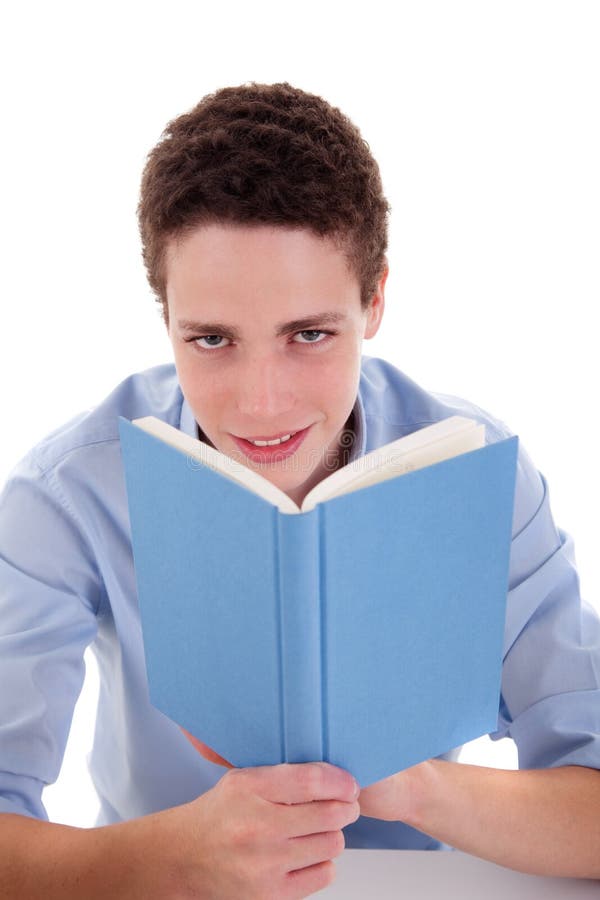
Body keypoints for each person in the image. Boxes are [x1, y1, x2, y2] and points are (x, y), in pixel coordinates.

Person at [1, 82, 599, 898]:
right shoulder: (67, 492)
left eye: (309, 335)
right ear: (164, 317)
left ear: (375, 300)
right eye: (210, 339)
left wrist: (406, 784)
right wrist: (171, 858)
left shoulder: (481, 471)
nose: (262, 404)